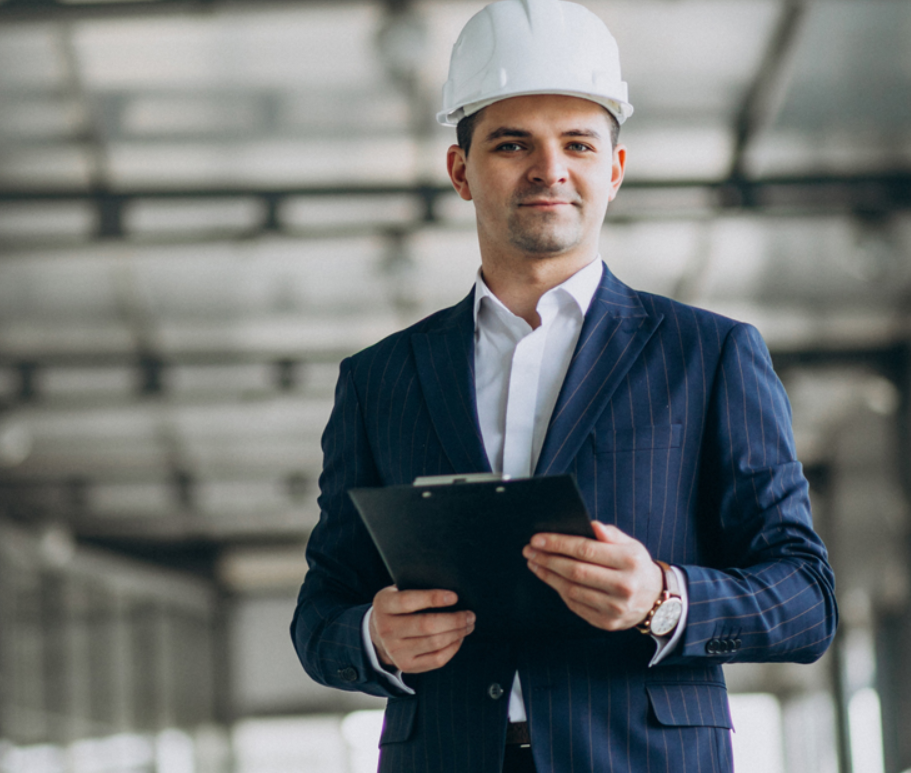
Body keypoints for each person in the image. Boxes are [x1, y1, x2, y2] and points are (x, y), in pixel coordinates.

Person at [291, 0, 837, 771]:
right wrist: (372, 638)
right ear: (460, 172)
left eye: (577, 143)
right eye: (512, 144)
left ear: (612, 170)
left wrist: (662, 598)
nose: (549, 169)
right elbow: (321, 608)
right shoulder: (380, 379)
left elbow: (806, 598)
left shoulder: (708, 355)